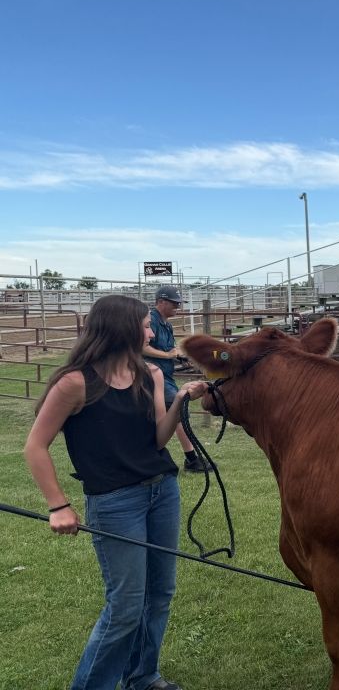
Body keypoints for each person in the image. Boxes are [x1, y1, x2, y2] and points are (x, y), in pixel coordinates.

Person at [23, 294, 208, 690]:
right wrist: (59, 505)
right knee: (125, 607)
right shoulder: (74, 382)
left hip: (163, 492)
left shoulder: (150, 376)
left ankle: (142, 677)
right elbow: (35, 447)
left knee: (159, 594)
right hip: (115, 503)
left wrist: (182, 401)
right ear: (121, 328)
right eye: (144, 324)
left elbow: (159, 439)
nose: (149, 330)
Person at [144, 285, 211, 473]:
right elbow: (140, 347)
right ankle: (191, 459)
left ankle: (190, 459)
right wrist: (168, 356)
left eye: (178, 303)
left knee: (169, 415)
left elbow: (170, 349)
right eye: (174, 303)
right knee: (178, 411)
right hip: (154, 375)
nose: (177, 307)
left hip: (165, 375)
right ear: (161, 302)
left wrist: (181, 358)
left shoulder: (167, 324)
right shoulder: (151, 322)